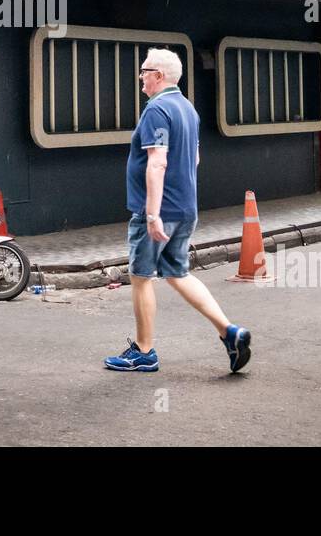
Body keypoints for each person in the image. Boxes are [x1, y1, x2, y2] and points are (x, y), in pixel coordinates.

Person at [103, 47, 251, 374]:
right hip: (186, 207)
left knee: (141, 276)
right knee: (176, 273)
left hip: (160, 211)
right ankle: (230, 332)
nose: (140, 77)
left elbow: (157, 162)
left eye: (144, 71)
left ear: (158, 76)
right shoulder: (188, 109)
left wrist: (153, 214)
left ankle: (144, 351)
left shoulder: (157, 110)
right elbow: (194, 159)